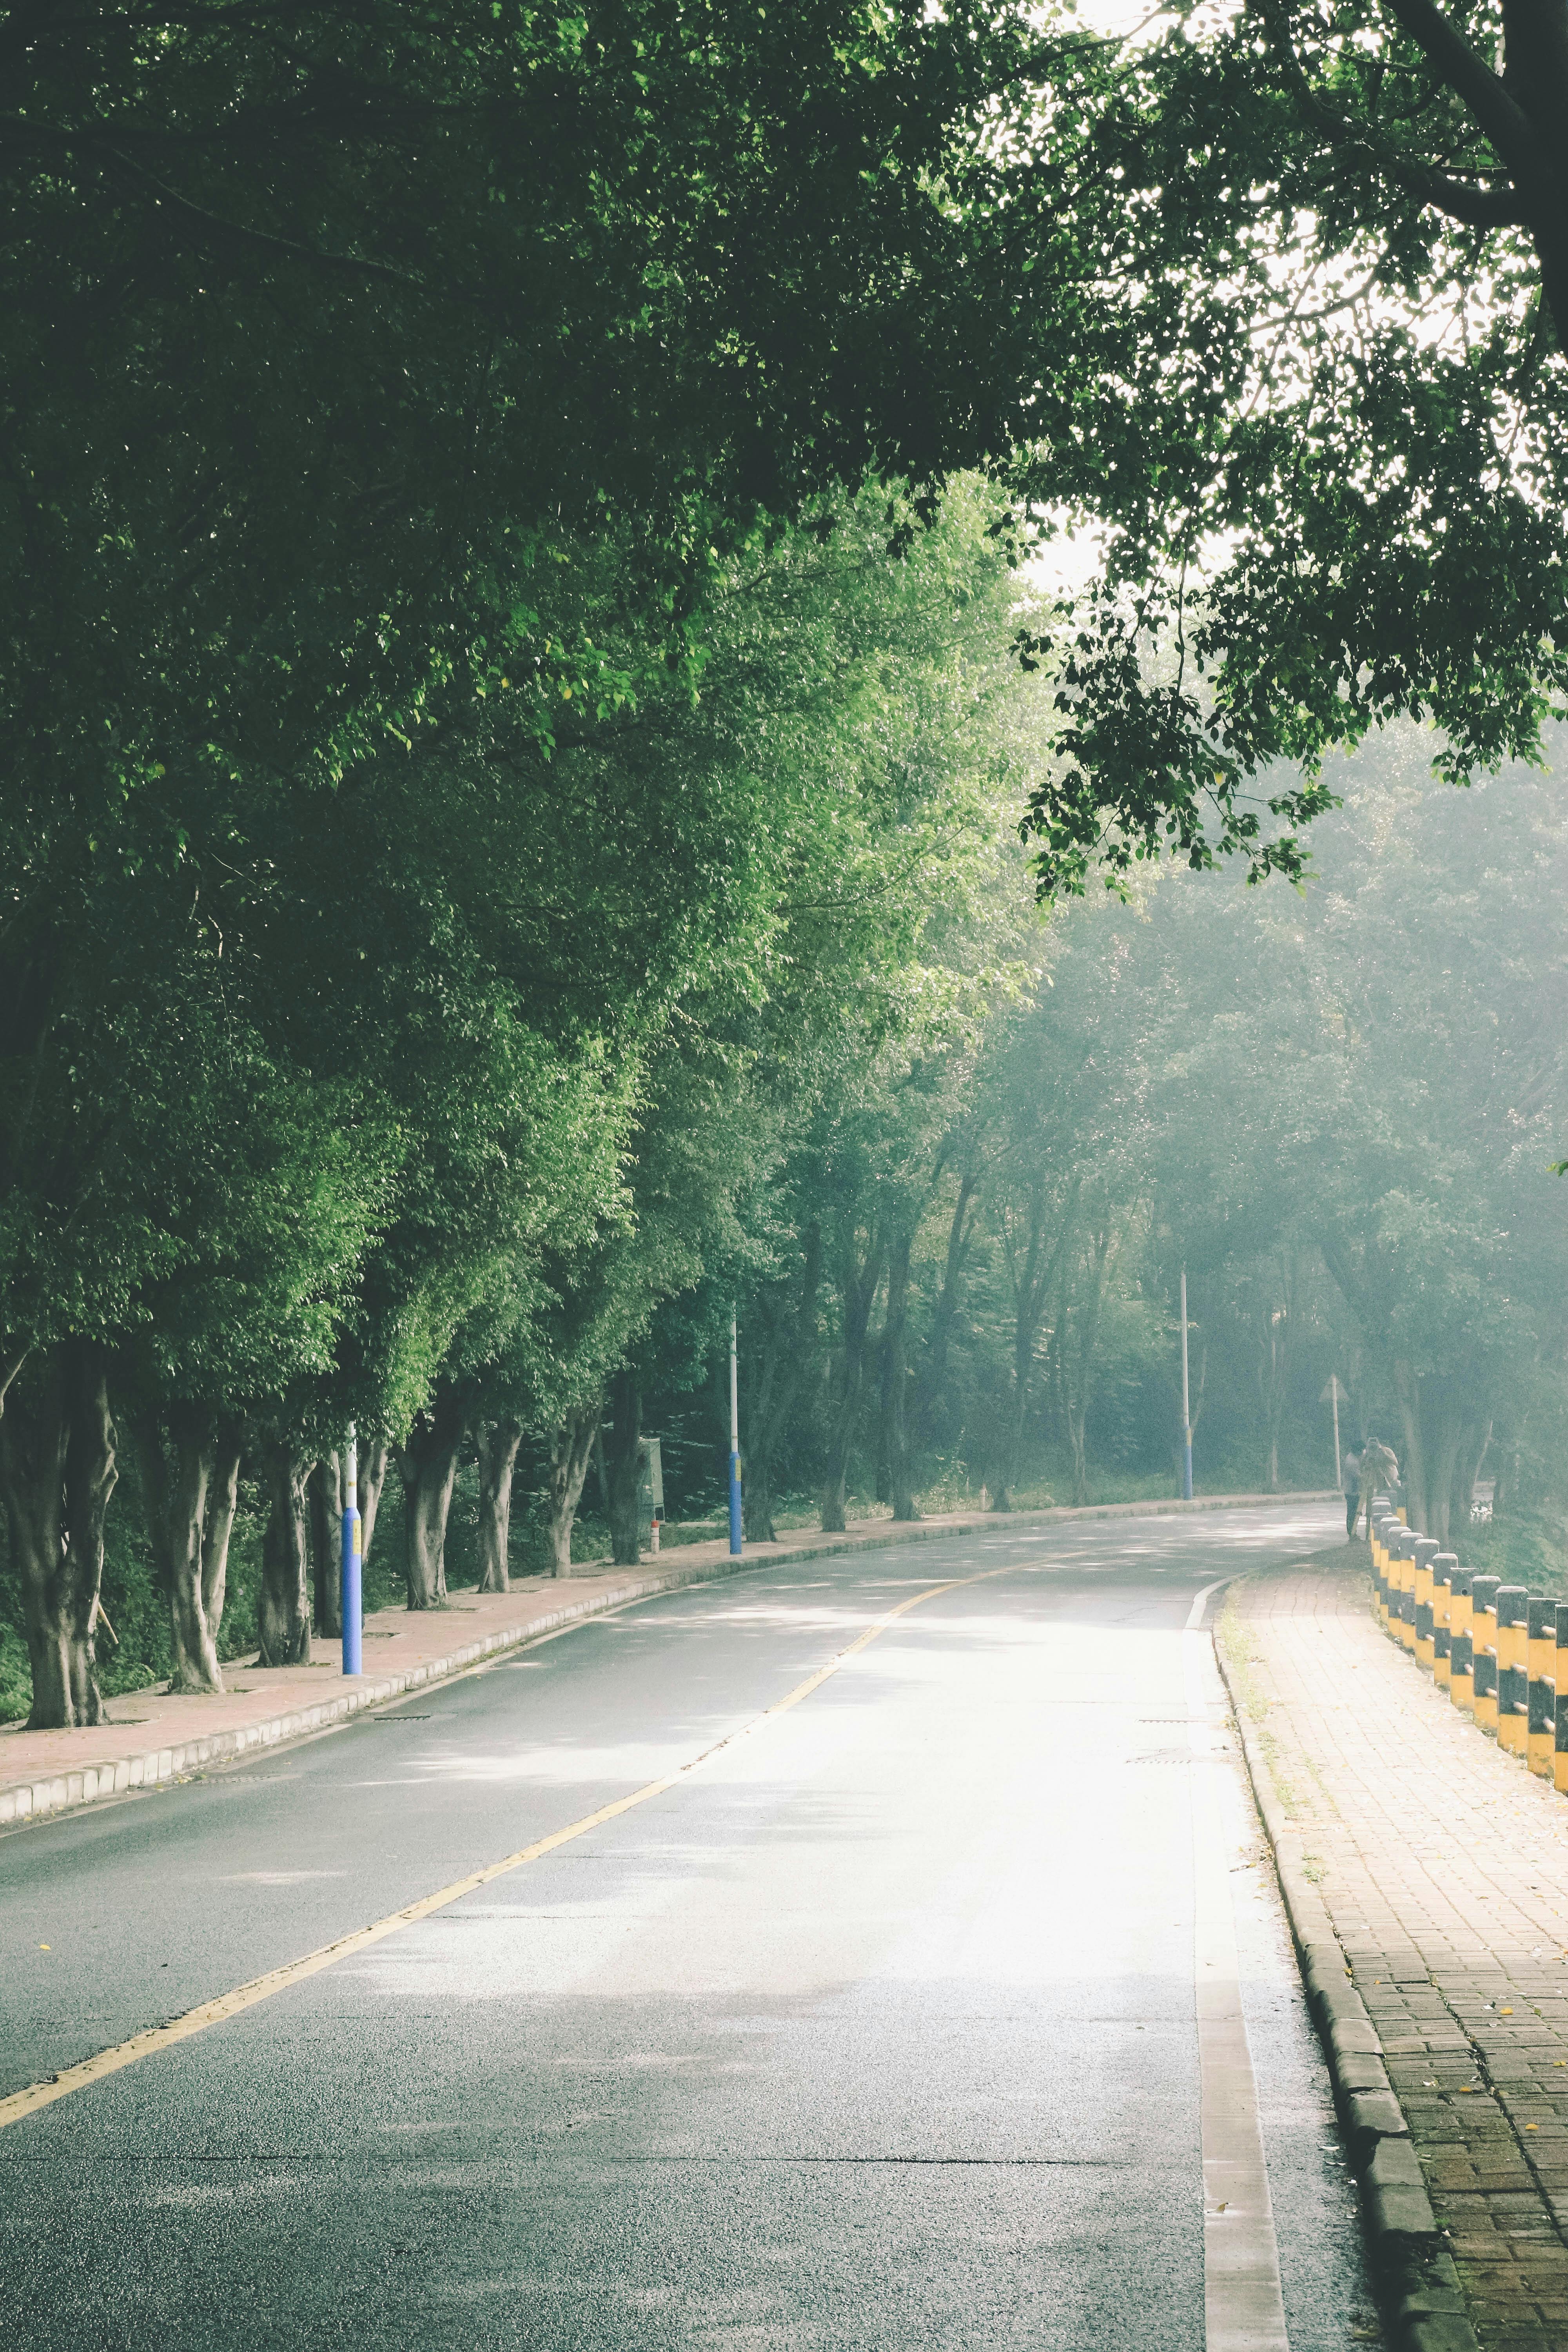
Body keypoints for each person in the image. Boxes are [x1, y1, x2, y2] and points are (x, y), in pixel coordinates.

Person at [1342, 1446, 1363, 1540]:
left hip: (1353, 1490)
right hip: (1352, 1491)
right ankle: (1352, 1532)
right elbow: (1359, 1477)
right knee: (1352, 1513)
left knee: (1353, 1512)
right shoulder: (1352, 1462)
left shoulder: (1353, 1457)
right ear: (1358, 1451)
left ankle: (1353, 1532)